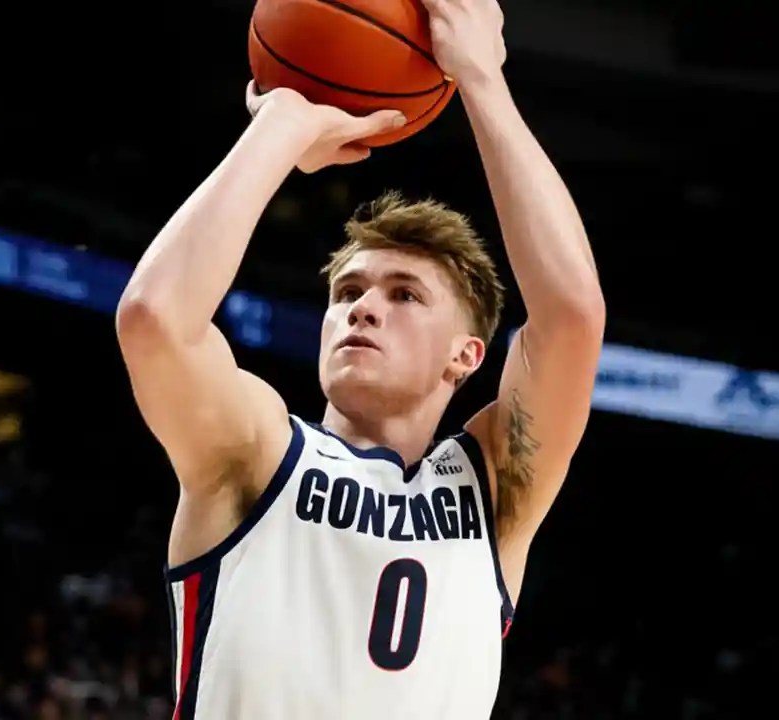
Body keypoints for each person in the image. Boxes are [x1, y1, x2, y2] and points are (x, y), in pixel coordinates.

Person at [115, 0, 605, 717]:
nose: (363, 308)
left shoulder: (492, 490)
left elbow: (572, 318)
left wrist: (482, 80)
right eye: (347, 291)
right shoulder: (256, 454)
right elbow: (155, 319)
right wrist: (283, 125)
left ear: (465, 357)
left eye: (405, 295)